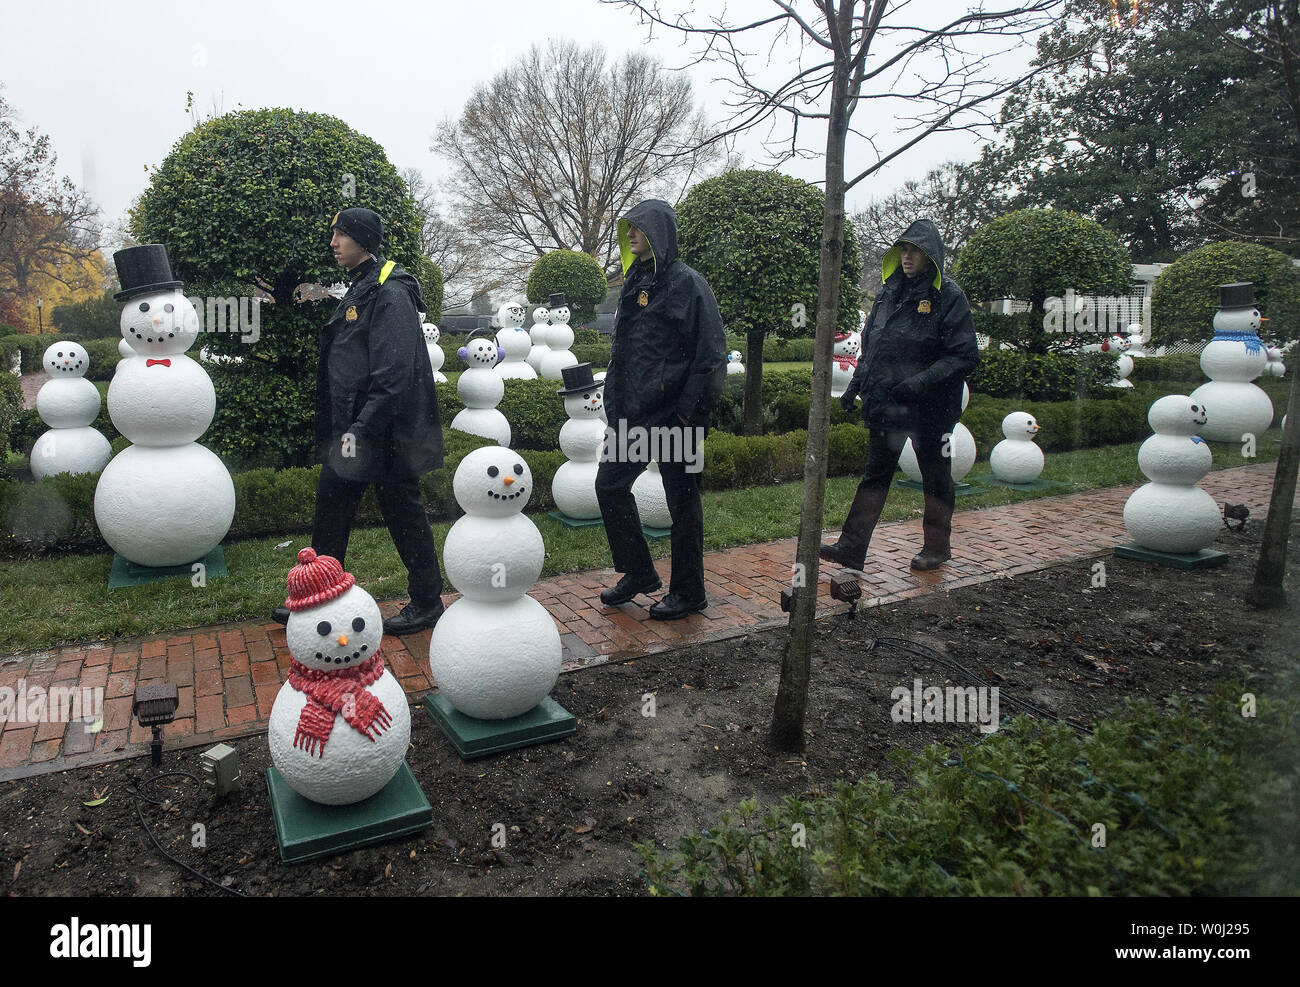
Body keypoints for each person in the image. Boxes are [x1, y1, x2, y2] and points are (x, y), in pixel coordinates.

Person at [273, 207, 446, 635]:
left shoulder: (390, 292)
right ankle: (319, 596)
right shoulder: (364, 287)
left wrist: (359, 429)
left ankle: (427, 602)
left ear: (364, 240)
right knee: (332, 510)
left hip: (381, 432)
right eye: (333, 234)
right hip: (357, 428)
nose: (333, 243)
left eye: (342, 235)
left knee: (403, 513)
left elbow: (393, 373)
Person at [823, 219, 979, 572]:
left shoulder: (949, 297)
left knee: (936, 477)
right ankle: (851, 547)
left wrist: (920, 383)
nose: (907, 257)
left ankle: (937, 547)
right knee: (874, 476)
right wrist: (855, 385)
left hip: (931, 411)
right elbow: (872, 345)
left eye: (915, 251)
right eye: (903, 250)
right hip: (887, 406)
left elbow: (964, 355)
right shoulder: (888, 292)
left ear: (931, 256)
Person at [596, 199, 727, 620]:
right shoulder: (635, 280)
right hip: (635, 416)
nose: (630, 234)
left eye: (638, 228)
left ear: (658, 233)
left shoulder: (689, 284)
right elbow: (628, 353)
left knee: (682, 505)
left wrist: (687, 415)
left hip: (675, 417)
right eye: (629, 228)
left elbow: (711, 356)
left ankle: (689, 592)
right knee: (610, 487)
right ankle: (638, 572)